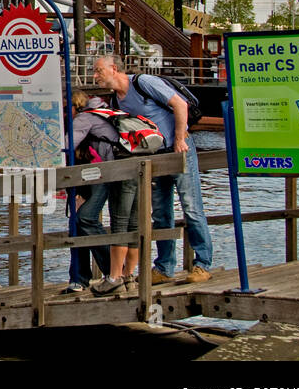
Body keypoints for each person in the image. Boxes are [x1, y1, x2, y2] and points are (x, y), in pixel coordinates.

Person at [93, 54, 213, 284]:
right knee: (160, 212)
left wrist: (179, 137)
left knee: (191, 206)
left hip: (178, 149)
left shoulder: (143, 83)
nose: (95, 76)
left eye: (98, 71)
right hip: (154, 157)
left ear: (114, 68)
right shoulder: (117, 100)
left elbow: (179, 104)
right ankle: (165, 267)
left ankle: (202, 264)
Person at [64, 90, 113, 293]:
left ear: (76, 105)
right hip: (87, 176)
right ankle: (79, 278)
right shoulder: (91, 116)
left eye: (68, 108)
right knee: (77, 223)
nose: (66, 112)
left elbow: (65, 148)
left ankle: (114, 272)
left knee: (85, 219)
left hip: (103, 174)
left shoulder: (85, 118)